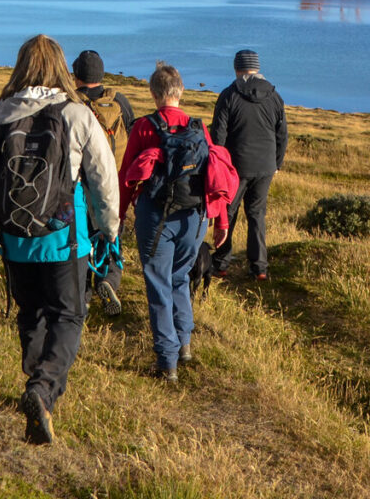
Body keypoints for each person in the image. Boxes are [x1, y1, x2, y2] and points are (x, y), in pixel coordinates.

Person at [0, 34, 119, 445]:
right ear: (61, 66)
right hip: (65, 241)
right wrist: (109, 230)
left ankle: (36, 384)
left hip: (14, 240)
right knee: (69, 316)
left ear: (21, 65)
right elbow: (104, 180)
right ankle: (41, 390)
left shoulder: (0, 114)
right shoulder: (78, 115)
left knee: (31, 313)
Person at [120, 62, 237, 382]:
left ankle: (167, 360)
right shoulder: (198, 128)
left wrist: (115, 218)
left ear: (154, 93)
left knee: (158, 283)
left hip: (156, 217)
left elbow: (125, 176)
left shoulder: (144, 128)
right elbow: (216, 176)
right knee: (179, 277)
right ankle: (184, 343)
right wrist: (221, 220)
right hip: (195, 218)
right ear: (181, 91)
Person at [209, 49, 287, 280]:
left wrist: (218, 166)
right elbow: (282, 134)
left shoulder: (229, 95)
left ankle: (221, 264)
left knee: (228, 213)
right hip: (265, 166)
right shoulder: (274, 96)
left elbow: (218, 136)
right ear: (257, 68)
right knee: (256, 215)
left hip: (235, 167)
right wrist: (276, 163)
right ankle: (259, 268)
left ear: (236, 68)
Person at [72, 49, 135, 317]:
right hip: (116, 183)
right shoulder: (119, 101)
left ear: (76, 76)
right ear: (101, 74)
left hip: (83, 183)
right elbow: (131, 137)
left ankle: (83, 295)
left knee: (82, 237)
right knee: (111, 235)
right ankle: (109, 281)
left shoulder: (74, 103)